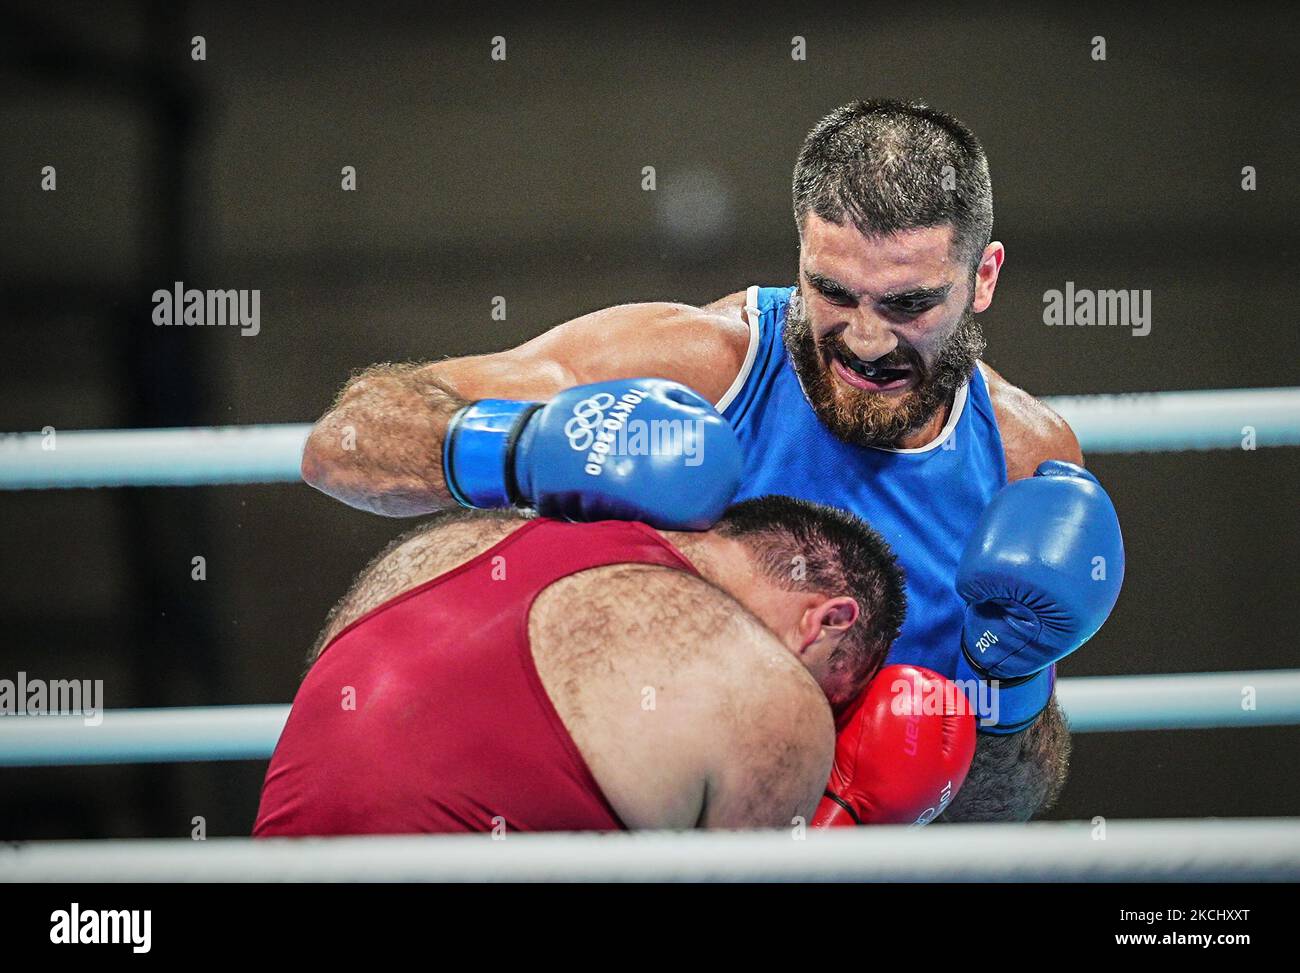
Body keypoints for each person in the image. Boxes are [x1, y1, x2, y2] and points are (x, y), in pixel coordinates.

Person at [298, 100, 1125, 821]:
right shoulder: (703, 366)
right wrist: (521, 452)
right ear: (800, 255)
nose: (867, 339)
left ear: (982, 278)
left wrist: (1011, 682)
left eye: (908, 304)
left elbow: (1002, 804)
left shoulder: (1025, 455)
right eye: (833, 292)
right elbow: (344, 441)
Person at [254, 488, 974, 834]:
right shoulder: (770, 691)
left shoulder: (462, 539)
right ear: (827, 621)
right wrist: (839, 817)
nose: (819, 724)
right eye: (832, 697)